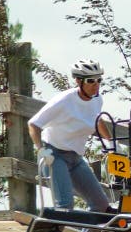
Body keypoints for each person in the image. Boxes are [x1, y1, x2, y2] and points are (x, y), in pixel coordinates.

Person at [28, 59, 111, 212]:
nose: (96, 84)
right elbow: (34, 124)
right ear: (78, 81)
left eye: (99, 80)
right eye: (91, 80)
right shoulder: (64, 101)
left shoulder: (97, 99)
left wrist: (110, 142)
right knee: (65, 206)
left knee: (101, 205)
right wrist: (41, 150)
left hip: (76, 158)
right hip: (54, 156)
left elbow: (98, 120)